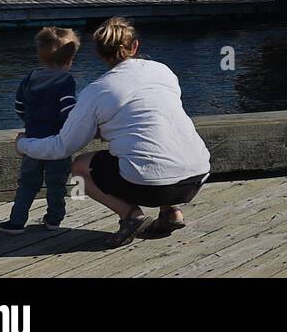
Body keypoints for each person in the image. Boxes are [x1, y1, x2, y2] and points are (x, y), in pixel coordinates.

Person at [15, 18, 211, 248]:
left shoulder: (97, 90)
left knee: (79, 167)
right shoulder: (163, 71)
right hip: (197, 177)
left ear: (99, 54)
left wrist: (23, 145)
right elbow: (148, 119)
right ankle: (171, 212)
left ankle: (131, 215)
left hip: (150, 185)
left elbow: (62, 147)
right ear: (135, 46)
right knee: (158, 141)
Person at [0, 27, 81, 234]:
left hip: (33, 142)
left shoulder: (30, 78)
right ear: (70, 59)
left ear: (40, 55)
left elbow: (19, 106)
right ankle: (54, 219)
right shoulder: (66, 80)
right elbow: (68, 109)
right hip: (58, 143)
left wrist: (31, 123)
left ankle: (16, 222)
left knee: (27, 183)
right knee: (56, 184)